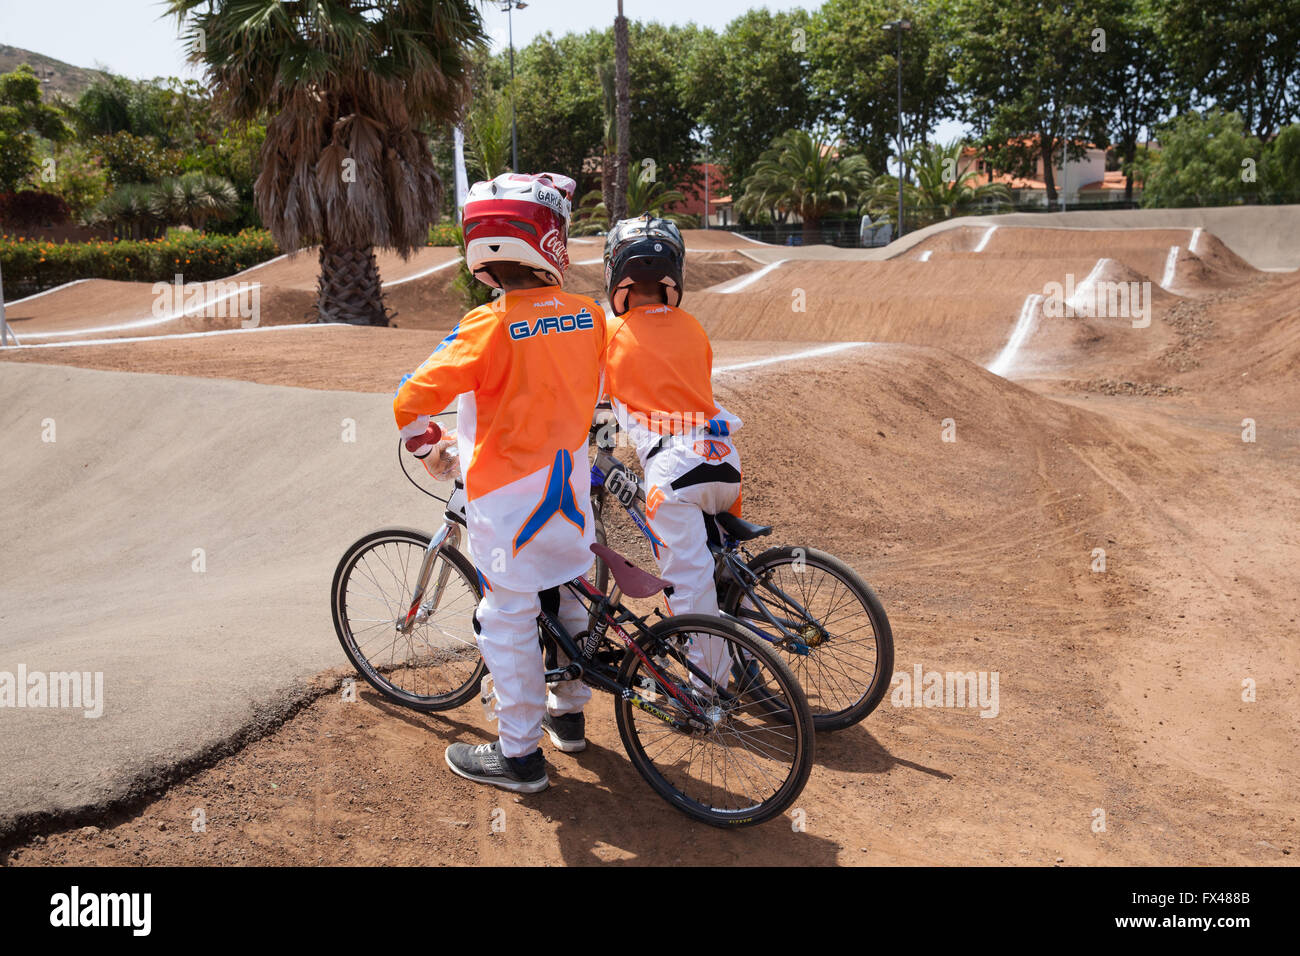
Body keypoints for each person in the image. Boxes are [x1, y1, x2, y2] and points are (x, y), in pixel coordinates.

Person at [394, 172, 604, 793]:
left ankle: (519, 755)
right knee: (568, 598)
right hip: (572, 494)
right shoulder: (589, 316)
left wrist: (431, 448)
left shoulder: (484, 325)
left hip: (508, 502)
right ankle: (569, 719)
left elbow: (411, 399)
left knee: (507, 614)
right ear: (551, 241)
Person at [599, 215, 742, 686]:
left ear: (617, 276)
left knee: (689, 586)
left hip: (675, 470)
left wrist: (596, 450)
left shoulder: (612, 336)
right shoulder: (693, 328)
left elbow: (599, 409)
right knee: (725, 572)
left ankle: (706, 689)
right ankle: (749, 660)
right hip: (723, 460)